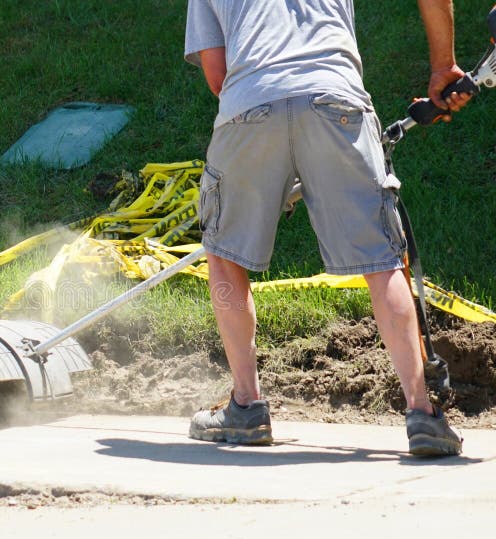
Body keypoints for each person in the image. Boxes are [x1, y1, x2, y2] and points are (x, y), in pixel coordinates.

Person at [185, 0, 469, 456]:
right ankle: (423, 413)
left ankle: (247, 406)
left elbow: (217, 76)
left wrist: (274, 141)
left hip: (250, 101)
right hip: (337, 101)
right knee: (381, 260)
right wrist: (443, 65)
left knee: (225, 253)